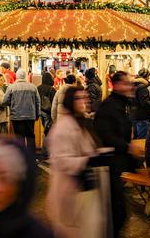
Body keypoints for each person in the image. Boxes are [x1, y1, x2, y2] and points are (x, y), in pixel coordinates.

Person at [47, 86, 110, 238]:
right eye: (78, 98)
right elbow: (61, 160)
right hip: (70, 190)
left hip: (85, 189)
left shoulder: (82, 122)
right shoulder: (63, 127)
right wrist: (89, 160)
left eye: (85, 98)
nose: (84, 102)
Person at [94, 71, 134, 236]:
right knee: (116, 211)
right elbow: (106, 134)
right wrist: (127, 147)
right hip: (108, 164)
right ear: (116, 85)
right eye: (126, 83)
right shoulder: (109, 106)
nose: (130, 86)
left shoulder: (121, 104)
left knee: (116, 210)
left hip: (115, 164)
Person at [1, 69, 40, 156]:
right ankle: (31, 157)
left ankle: (21, 157)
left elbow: (4, 102)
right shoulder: (33, 87)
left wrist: (12, 103)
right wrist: (37, 114)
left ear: (17, 76)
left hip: (17, 116)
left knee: (19, 138)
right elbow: (38, 102)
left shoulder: (11, 87)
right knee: (30, 136)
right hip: (30, 116)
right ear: (25, 76)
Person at [131, 68, 150, 139]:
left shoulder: (133, 85)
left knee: (136, 139)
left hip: (134, 116)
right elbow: (145, 104)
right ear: (146, 76)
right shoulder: (142, 87)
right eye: (148, 76)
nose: (149, 78)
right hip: (142, 117)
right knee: (142, 140)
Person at [37, 71, 57, 136]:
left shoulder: (38, 88)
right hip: (48, 112)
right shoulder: (52, 89)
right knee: (49, 128)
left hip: (40, 111)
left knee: (41, 128)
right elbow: (54, 101)